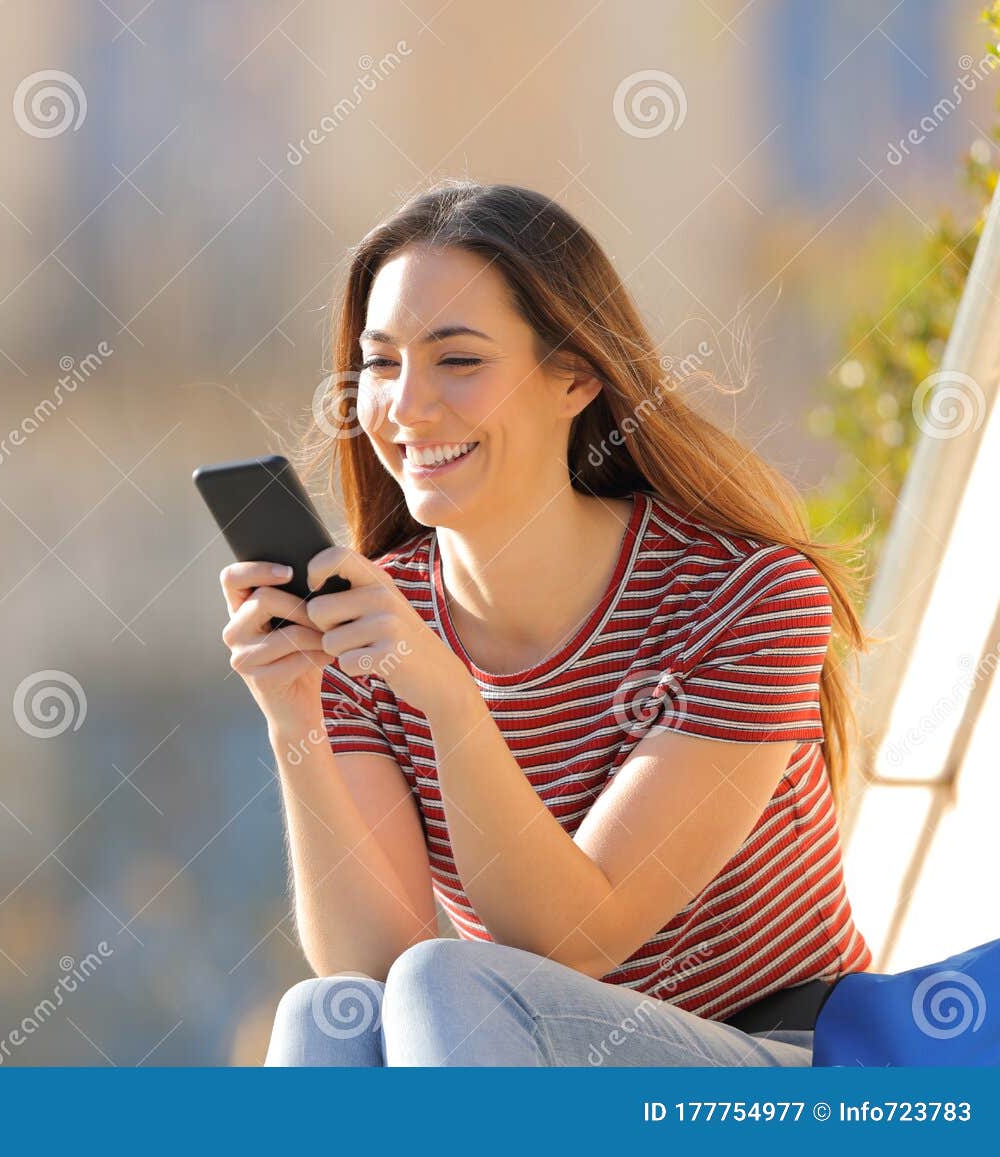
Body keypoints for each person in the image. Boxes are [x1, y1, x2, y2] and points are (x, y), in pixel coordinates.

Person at [216, 180, 873, 1066]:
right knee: (321, 1013)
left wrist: (450, 699)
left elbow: (579, 937)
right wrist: (294, 713)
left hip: (777, 1066)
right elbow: (370, 966)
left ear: (574, 374)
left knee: (445, 982)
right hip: (521, 1068)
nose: (407, 406)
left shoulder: (743, 596)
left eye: (457, 360)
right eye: (380, 362)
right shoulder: (376, 628)